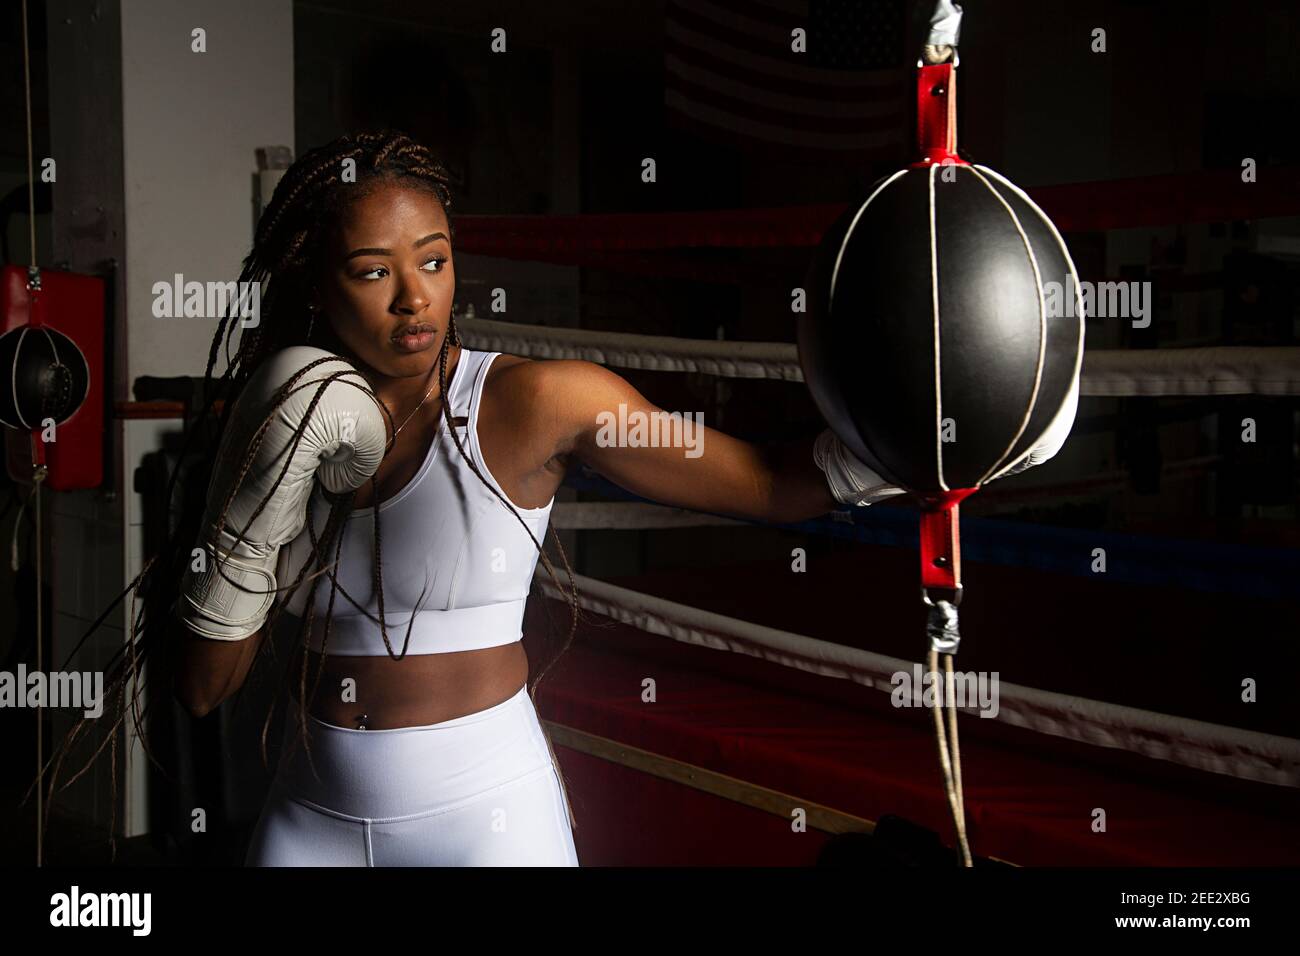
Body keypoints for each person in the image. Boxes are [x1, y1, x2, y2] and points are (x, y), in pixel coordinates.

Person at [88, 130, 1074, 867]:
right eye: (371, 270)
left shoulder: (534, 404)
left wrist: (932, 436)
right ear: (318, 282)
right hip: (308, 817)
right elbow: (204, 687)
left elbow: (770, 482)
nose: (413, 298)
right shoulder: (291, 414)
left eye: (432, 259)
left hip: (485, 818)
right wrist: (251, 506)